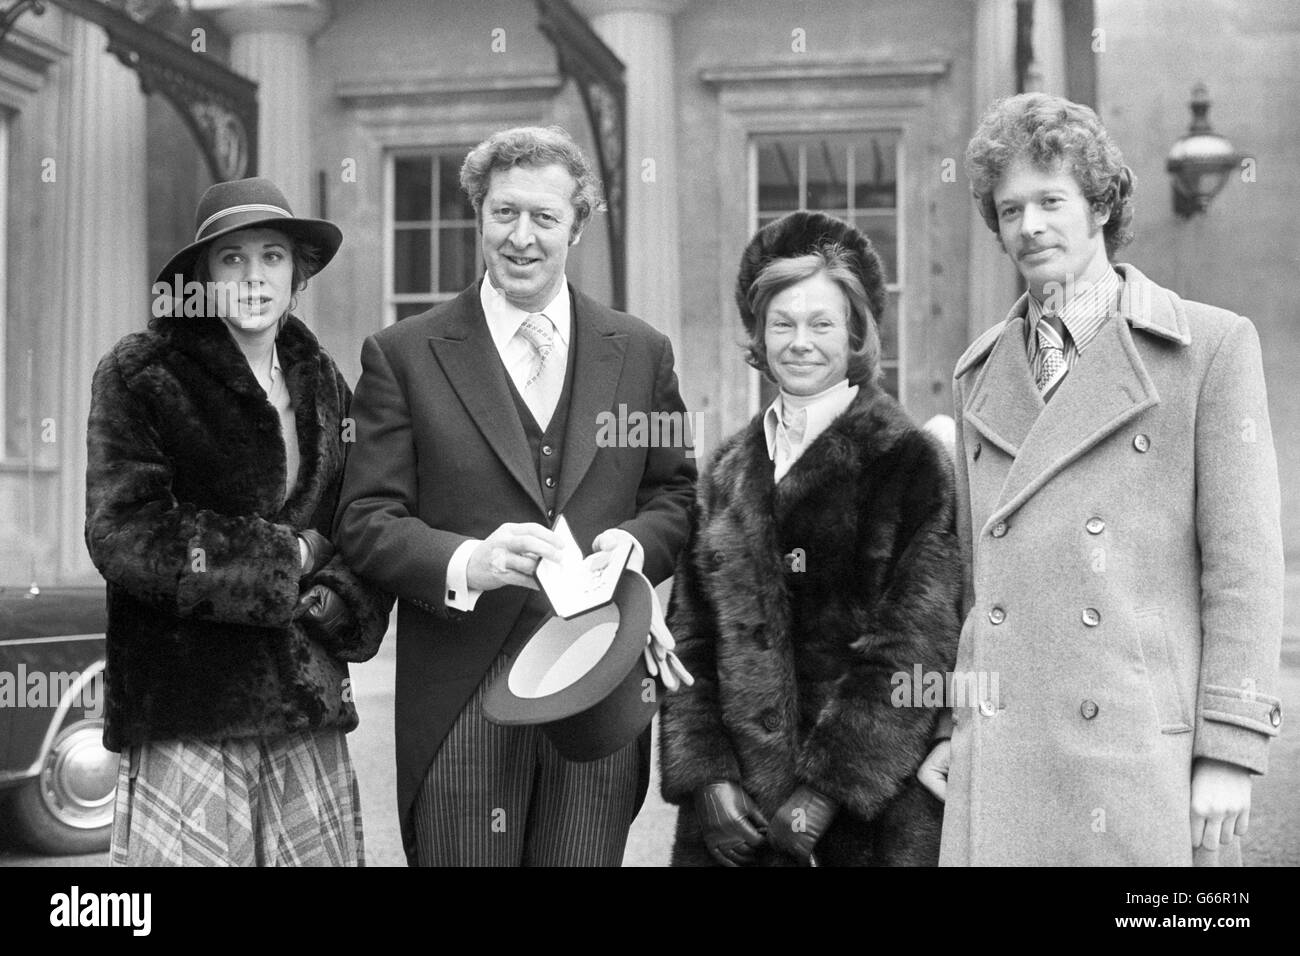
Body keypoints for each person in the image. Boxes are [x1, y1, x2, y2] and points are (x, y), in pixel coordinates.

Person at [919, 93, 1284, 866]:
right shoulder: (977, 369)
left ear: (1101, 204)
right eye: (1010, 208)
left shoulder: (1208, 347)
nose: (1030, 226)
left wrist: (1231, 745)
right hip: (1003, 752)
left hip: (1139, 751)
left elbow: (1244, 569)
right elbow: (976, 586)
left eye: (1051, 200)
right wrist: (956, 723)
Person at [333, 126, 696, 867]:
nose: (521, 237)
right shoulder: (403, 354)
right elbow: (365, 520)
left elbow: (676, 494)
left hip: (597, 676)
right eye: (504, 213)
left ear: (579, 227)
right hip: (461, 689)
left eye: (544, 217)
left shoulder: (642, 351)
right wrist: (469, 560)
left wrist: (637, 545)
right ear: (478, 214)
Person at [85, 177, 392, 866]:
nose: (255, 277)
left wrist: (333, 601)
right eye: (233, 259)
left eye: (272, 257)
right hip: (188, 707)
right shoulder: (142, 373)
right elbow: (127, 531)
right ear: (200, 277)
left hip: (305, 705)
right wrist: (288, 562)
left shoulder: (325, 382)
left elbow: (360, 522)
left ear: (297, 274)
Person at [658, 211, 961, 866]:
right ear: (759, 337)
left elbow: (916, 649)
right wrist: (706, 780)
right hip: (731, 827)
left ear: (853, 334)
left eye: (821, 324)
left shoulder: (907, 463)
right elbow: (690, 641)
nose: (801, 342)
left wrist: (823, 793)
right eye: (782, 324)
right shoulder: (722, 472)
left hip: (860, 825)